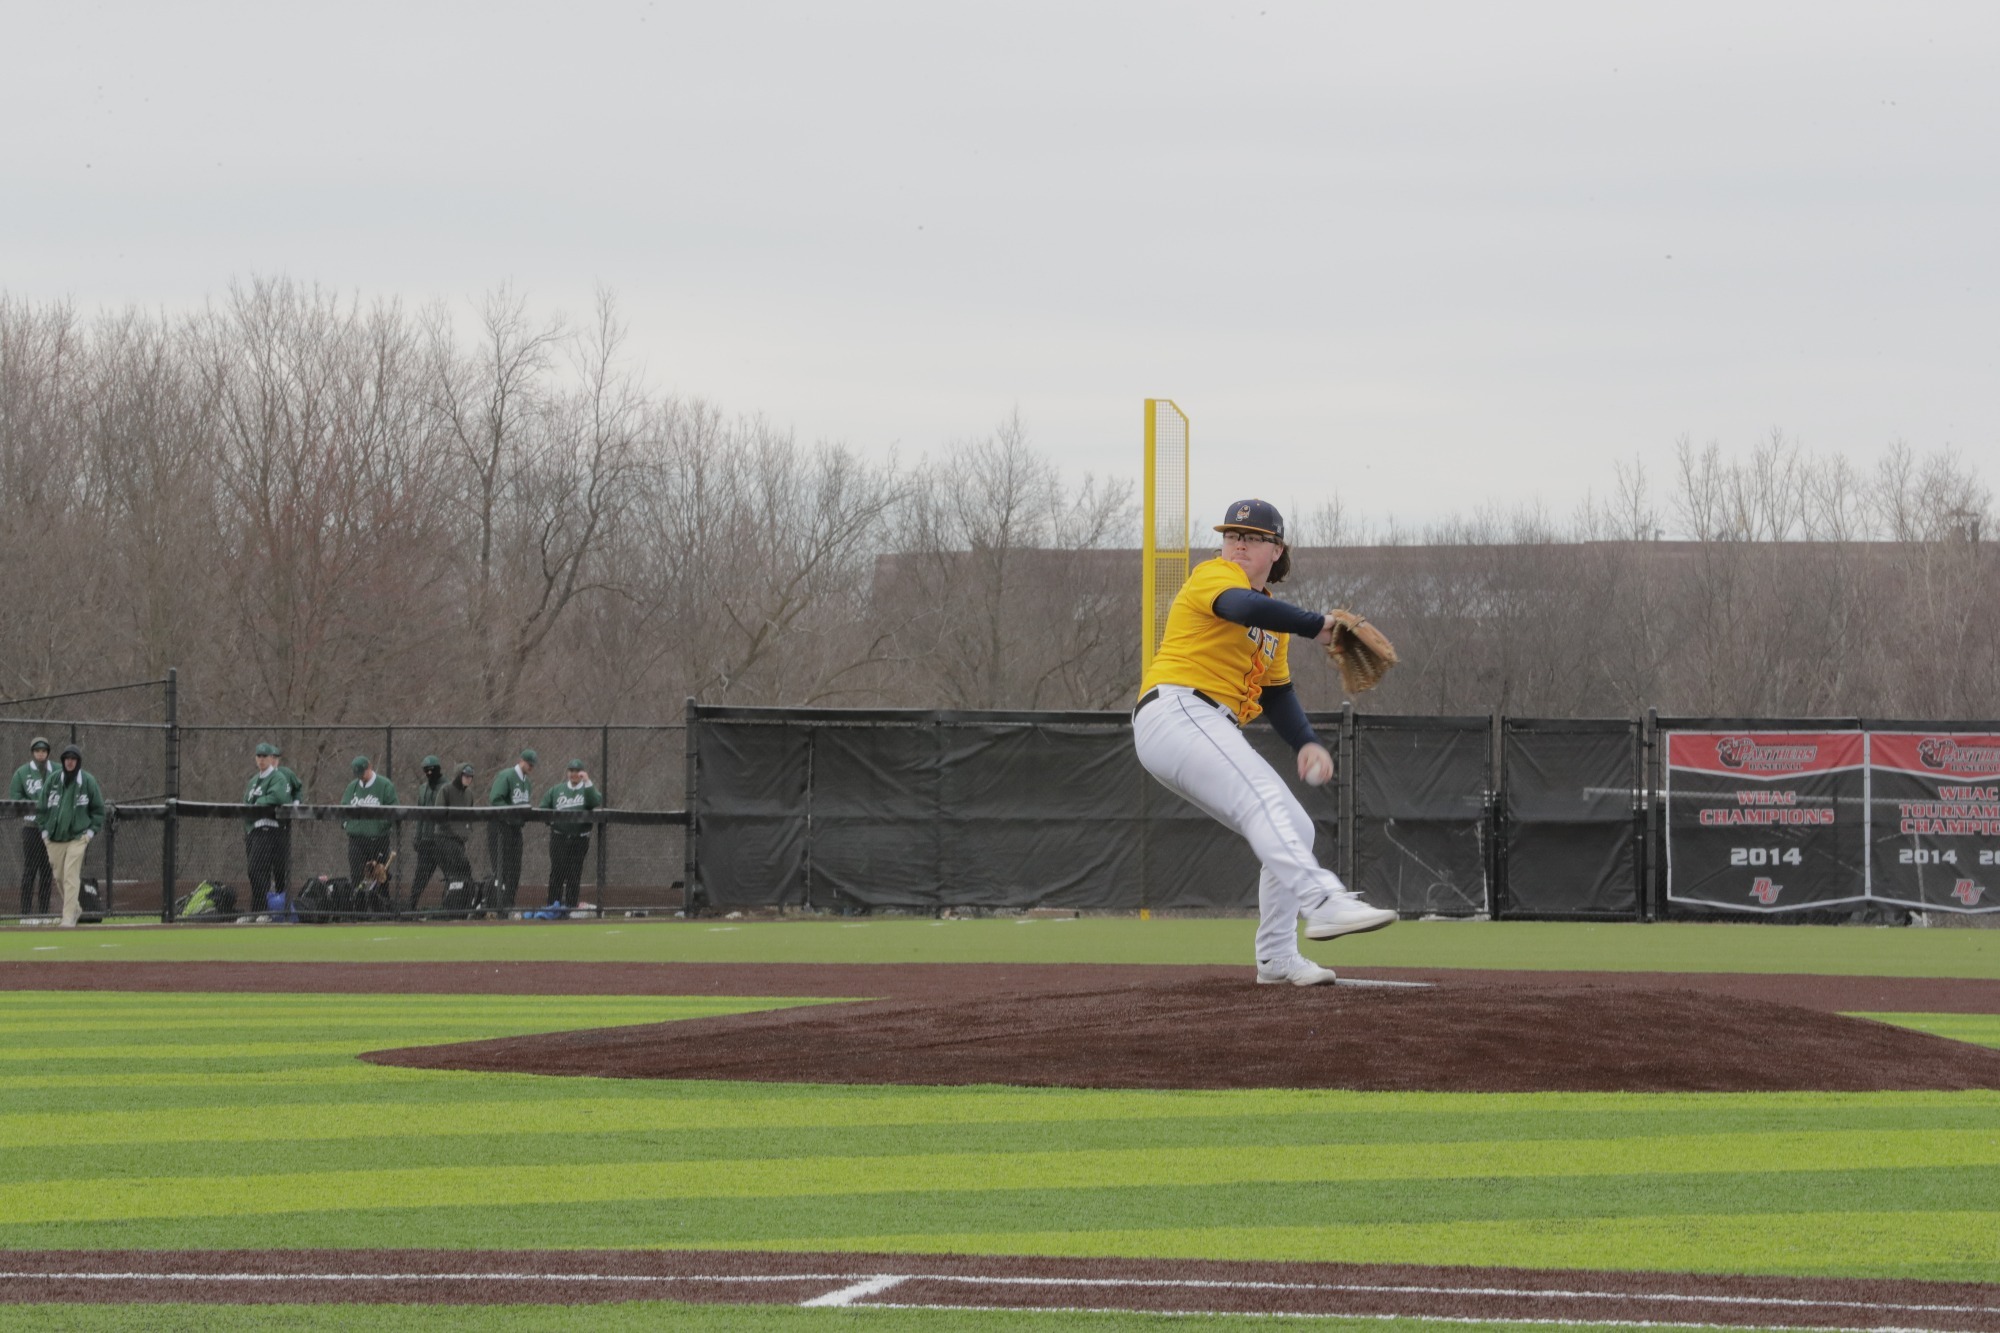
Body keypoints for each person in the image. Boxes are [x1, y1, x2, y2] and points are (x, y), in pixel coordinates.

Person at [1132, 499, 1397, 986]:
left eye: (1252, 539)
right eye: (1232, 536)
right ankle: (1323, 901)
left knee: (1295, 824)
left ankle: (1276, 957)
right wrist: (1316, 623)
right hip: (1178, 709)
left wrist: (1306, 742)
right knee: (1265, 800)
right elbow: (1241, 606)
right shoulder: (1214, 576)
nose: (1238, 545)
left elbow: (1277, 692)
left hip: (1200, 726)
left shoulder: (1273, 625)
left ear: (1277, 550)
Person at [37, 743, 105, 929]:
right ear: (63, 761)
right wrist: (45, 833)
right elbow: (41, 809)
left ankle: (67, 918)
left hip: (78, 837)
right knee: (59, 876)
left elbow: (99, 810)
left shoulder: (88, 781)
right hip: (54, 838)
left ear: (78, 762)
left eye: (73, 759)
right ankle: (75, 908)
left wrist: (89, 833)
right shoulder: (53, 780)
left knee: (70, 876)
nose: (69, 762)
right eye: (67, 759)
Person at [539, 759, 603, 912]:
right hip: (559, 837)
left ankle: (570, 908)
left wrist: (587, 781)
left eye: (577, 771)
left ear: (582, 773)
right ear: (567, 772)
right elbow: (543, 808)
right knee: (557, 873)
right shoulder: (556, 790)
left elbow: (595, 801)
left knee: (574, 874)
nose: (574, 774)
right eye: (571, 771)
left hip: (579, 839)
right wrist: (552, 823)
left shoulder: (588, 790)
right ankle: (552, 907)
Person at [487, 748, 536, 917]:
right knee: (501, 869)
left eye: (532, 765)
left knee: (515, 869)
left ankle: (508, 905)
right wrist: (512, 814)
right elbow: (495, 798)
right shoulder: (506, 775)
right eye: (528, 763)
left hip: (515, 829)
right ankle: (498, 906)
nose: (530, 767)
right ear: (520, 760)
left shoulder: (527, 782)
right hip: (500, 828)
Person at [340, 755, 396, 901]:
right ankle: (358, 909)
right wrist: (347, 824)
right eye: (358, 774)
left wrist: (380, 827)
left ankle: (381, 911)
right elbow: (343, 809)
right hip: (357, 840)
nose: (361, 777)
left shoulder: (384, 785)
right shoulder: (352, 787)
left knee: (380, 876)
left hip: (378, 840)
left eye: (362, 773)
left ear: (369, 767)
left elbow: (394, 810)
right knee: (357, 876)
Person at [243, 742, 289, 913]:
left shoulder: (277, 777)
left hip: (269, 830)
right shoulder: (254, 781)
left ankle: (265, 910)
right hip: (254, 830)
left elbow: (277, 796)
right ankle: (257, 910)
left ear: (271, 758)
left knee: (258, 869)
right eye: (259, 756)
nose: (261, 760)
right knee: (253, 872)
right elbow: (246, 803)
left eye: (265, 756)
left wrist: (258, 802)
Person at [11, 738, 54, 917]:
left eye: (43, 751)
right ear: (32, 752)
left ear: (47, 753)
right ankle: (26, 913)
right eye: (37, 751)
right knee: (30, 870)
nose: (40, 754)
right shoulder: (22, 772)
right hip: (31, 827)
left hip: (52, 829)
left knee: (47, 870)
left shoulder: (57, 770)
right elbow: (14, 797)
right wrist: (33, 807)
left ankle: (44, 912)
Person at [407, 755, 448, 910]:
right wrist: (418, 836)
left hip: (442, 840)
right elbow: (419, 815)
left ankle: (452, 906)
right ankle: (410, 907)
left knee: (451, 875)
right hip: (426, 840)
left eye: (432, 770)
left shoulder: (447, 787)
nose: (429, 773)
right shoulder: (423, 788)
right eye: (426, 771)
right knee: (420, 878)